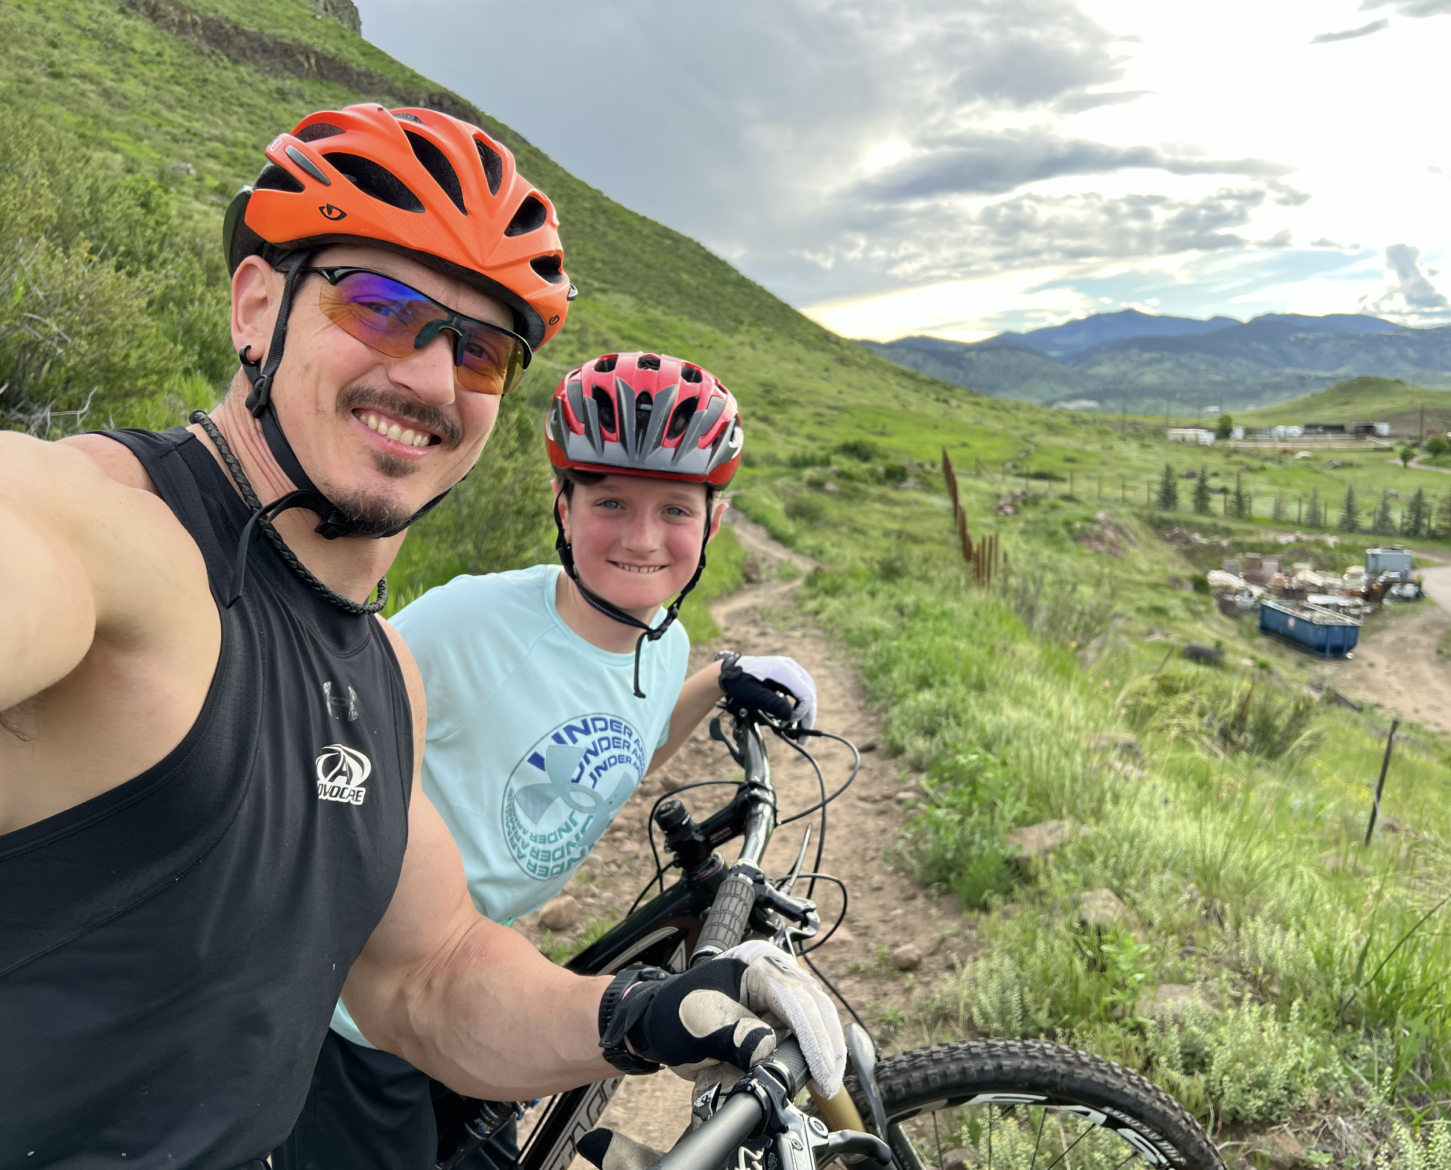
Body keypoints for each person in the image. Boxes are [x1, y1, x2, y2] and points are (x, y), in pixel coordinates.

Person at [0, 105, 844, 1169]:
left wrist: (643, 1016)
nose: (431, 380)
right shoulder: (113, 537)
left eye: (482, 351)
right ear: (257, 307)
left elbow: (427, 978)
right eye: (382, 307)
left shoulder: (378, 672)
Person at [277, 351, 821, 1168]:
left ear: (713, 523)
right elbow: (316, 747)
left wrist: (718, 678)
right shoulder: (470, 624)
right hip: (357, 1013)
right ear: (562, 506)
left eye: (674, 507)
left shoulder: (663, 642)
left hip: (472, 978)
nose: (641, 538)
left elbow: (621, 754)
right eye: (609, 501)